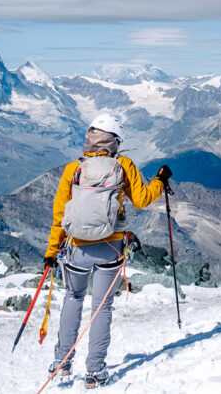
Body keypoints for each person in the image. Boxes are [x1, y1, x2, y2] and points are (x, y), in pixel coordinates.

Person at [44, 113, 172, 388]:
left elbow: (59, 214)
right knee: (102, 307)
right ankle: (95, 371)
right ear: (113, 140)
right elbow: (142, 199)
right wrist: (160, 180)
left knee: (73, 297)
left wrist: (52, 251)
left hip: (76, 247)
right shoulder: (122, 165)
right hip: (110, 246)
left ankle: (62, 362)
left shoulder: (73, 169)